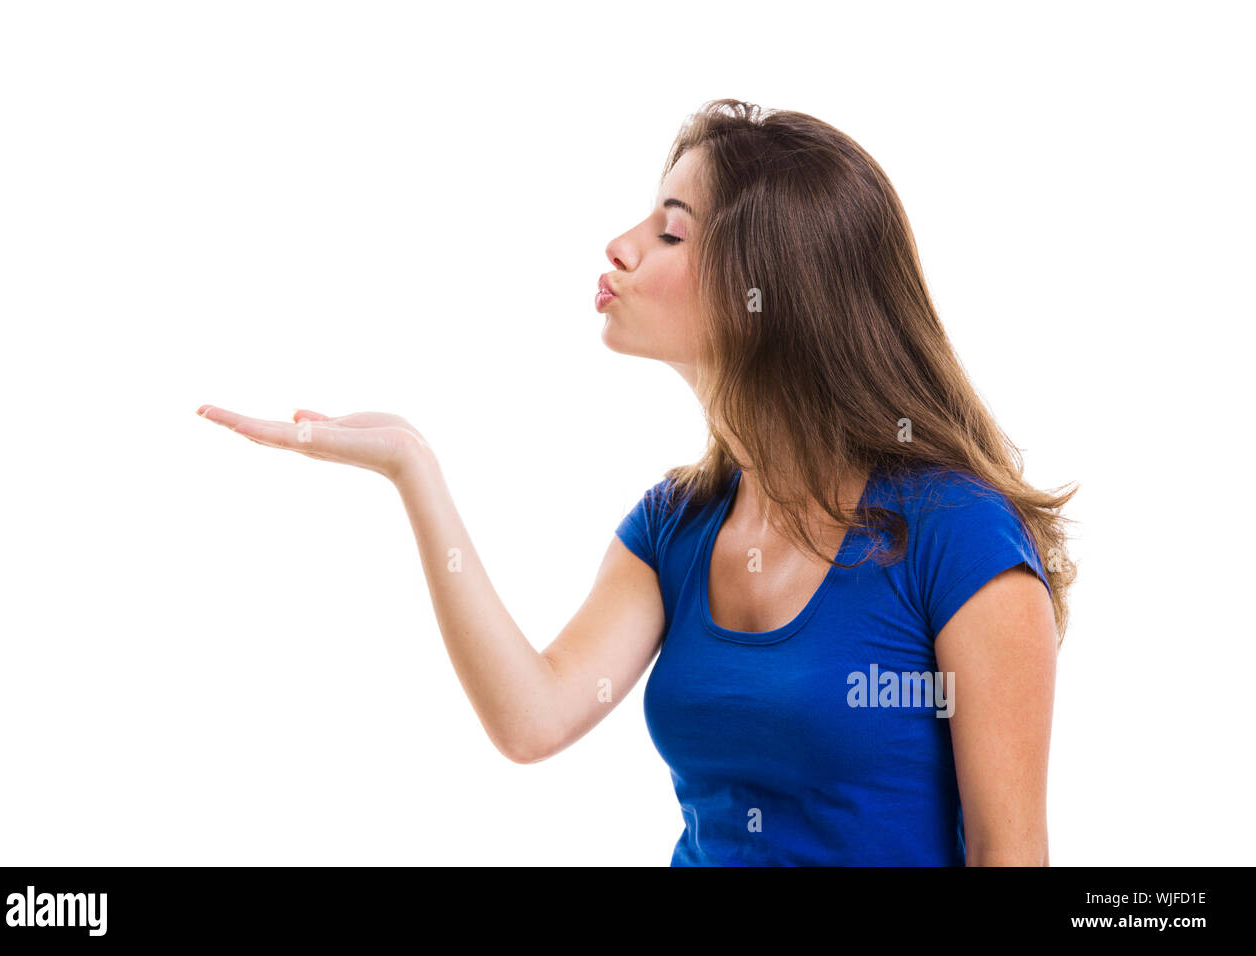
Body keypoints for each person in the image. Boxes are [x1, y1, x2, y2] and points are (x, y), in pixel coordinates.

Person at [197, 98, 1077, 866]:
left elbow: (1012, 856)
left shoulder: (959, 538)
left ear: (765, 289)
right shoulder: (675, 527)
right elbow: (532, 718)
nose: (621, 246)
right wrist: (412, 468)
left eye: (670, 230)